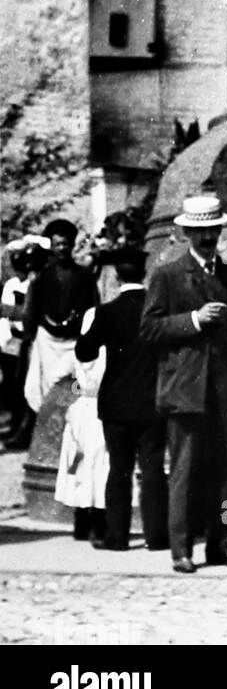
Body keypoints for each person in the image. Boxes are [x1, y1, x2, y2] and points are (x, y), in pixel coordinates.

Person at [142, 193, 227, 574]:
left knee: (225, 473)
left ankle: (223, 544)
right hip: (185, 387)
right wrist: (194, 319)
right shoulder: (168, 274)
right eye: (200, 231)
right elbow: (149, 328)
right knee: (185, 472)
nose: (207, 237)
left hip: (223, 388)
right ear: (187, 232)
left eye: (213, 230)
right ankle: (181, 549)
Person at [75, 247, 168, 552]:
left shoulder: (107, 312)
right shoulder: (158, 311)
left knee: (119, 470)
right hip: (153, 401)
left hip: (116, 404)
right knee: (153, 469)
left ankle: (117, 537)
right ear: (144, 273)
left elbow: (84, 352)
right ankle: (157, 536)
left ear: (116, 275)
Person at [23, 219, 98, 427]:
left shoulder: (85, 276)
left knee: (74, 386)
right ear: (52, 246)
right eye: (57, 244)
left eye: (66, 244)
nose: (62, 248)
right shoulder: (41, 277)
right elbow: (32, 309)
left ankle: (71, 430)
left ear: (73, 245)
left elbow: (94, 307)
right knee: (47, 387)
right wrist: (30, 337)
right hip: (47, 342)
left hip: (74, 341)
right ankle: (49, 432)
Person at [54, 319, 108, 543]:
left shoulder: (77, 351)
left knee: (78, 463)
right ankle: (99, 521)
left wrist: (75, 389)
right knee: (101, 465)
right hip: (101, 409)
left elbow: (57, 375)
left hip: (81, 409)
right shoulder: (107, 351)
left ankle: (80, 521)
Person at [1, 236, 48, 449]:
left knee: (33, 386)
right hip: (16, 341)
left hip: (34, 340)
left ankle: (27, 431)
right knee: (17, 385)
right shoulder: (15, 283)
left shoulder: (39, 281)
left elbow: (24, 313)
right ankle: (18, 425)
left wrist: (14, 312)